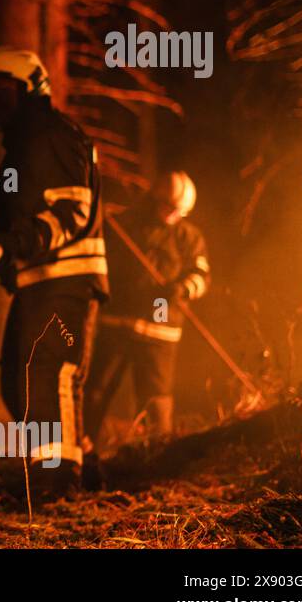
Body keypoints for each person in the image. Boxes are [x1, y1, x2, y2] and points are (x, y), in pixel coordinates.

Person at [0, 47, 108, 498]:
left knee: (51, 371)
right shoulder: (24, 144)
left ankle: (56, 485)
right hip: (38, 280)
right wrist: (12, 257)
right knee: (17, 376)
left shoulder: (51, 134)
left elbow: (72, 211)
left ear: (30, 89)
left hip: (66, 278)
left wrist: (18, 242)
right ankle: (82, 466)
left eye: (3, 94)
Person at [84, 171, 210, 445]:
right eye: (168, 207)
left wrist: (183, 288)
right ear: (156, 199)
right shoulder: (125, 225)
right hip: (118, 324)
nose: (172, 214)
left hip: (161, 332)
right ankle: (81, 448)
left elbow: (201, 276)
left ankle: (156, 453)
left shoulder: (189, 237)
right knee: (97, 390)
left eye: (179, 211)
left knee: (156, 398)